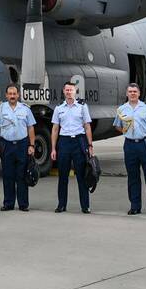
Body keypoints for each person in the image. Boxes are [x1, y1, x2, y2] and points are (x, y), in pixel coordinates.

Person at [115, 83, 146, 215]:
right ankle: (135, 206)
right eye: (130, 91)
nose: (132, 93)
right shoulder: (122, 109)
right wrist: (125, 130)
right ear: (126, 94)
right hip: (130, 145)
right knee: (133, 176)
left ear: (139, 93)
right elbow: (117, 126)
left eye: (135, 91)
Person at [0, 84, 36, 211]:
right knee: (8, 175)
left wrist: (32, 145)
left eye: (14, 94)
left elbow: (31, 127)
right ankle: (8, 203)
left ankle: (23, 204)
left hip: (22, 145)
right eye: (10, 94)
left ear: (18, 95)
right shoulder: (0, 109)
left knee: (22, 175)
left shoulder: (25, 109)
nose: (12, 96)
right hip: (6, 145)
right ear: (6, 95)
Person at [51, 81, 94, 213]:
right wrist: (53, 148)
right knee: (63, 176)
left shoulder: (82, 107)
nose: (69, 92)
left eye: (71, 90)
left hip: (79, 141)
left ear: (75, 92)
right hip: (64, 142)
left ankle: (85, 206)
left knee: (81, 175)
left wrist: (90, 145)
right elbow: (55, 129)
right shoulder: (59, 108)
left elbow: (87, 126)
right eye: (67, 90)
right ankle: (61, 205)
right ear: (63, 92)